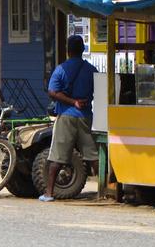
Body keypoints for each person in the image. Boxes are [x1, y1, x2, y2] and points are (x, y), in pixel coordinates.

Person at [40, 34, 98, 202]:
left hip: (66, 116)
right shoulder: (91, 70)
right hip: (86, 116)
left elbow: (52, 92)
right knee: (93, 155)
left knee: (58, 156)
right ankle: (105, 190)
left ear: (68, 50)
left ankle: (49, 193)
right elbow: (99, 89)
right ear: (83, 50)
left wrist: (72, 102)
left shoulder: (61, 69)